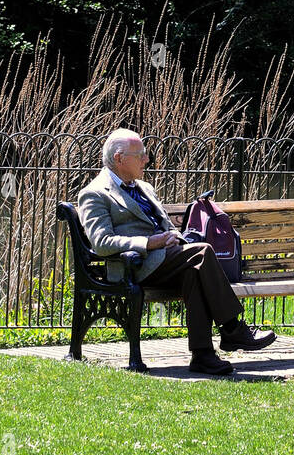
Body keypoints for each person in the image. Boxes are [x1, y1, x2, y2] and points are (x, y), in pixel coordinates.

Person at [77, 129, 275, 376]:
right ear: (119, 159)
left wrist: (174, 240)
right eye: (141, 155)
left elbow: (167, 226)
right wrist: (150, 243)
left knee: (194, 272)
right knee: (201, 252)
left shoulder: (144, 187)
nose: (147, 160)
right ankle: (233, 328)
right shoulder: (94, 193)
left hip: (167, 259)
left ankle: (203, 356)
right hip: (134, 266)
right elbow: (101, 242)